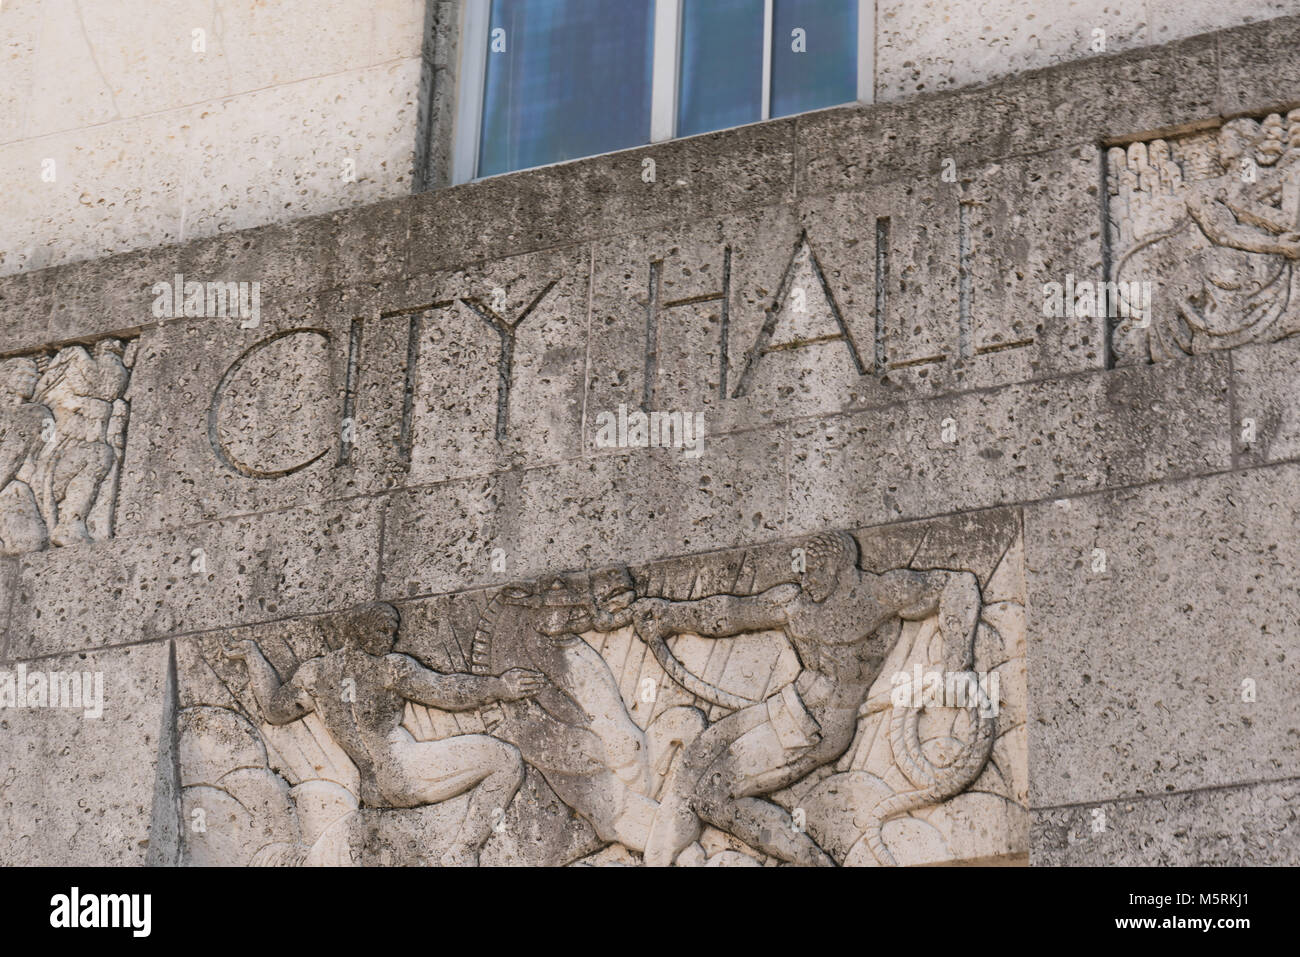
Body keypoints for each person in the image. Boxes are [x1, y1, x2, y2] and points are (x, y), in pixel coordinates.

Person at [633, 532, 982, 866]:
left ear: (840, 568)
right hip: (790, 703)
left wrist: (957, 665)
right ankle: (662, 856)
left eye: (815, 570)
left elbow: (957, 585)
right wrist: (667, 615)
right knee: (698, 753)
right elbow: (730, 612)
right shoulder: (794, 603)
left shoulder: (878, 594)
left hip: (819, 725)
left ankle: (812, 860)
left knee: (713, 795)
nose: (806, 579)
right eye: (803, 569)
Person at [225, 601, 544, 866]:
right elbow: (446, 691)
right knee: (506, 758)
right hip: (408, 771)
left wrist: (253, 656)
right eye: (382, 630)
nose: (389, 638)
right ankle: (464, 850)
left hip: (374, 792)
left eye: (392, 632)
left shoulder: (315, 675)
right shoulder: (389, 669)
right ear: (358, 629)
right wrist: (501, 686)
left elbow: (273, 709)